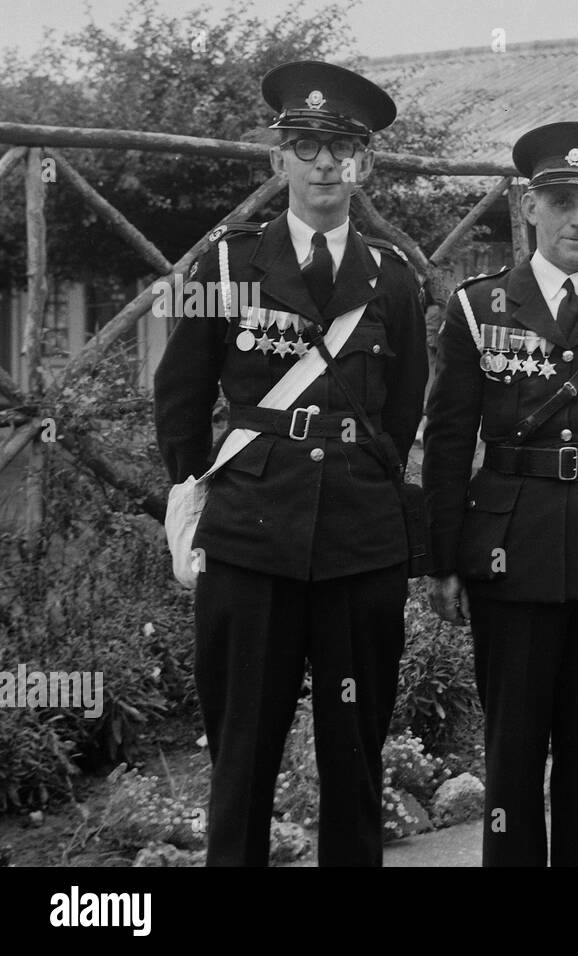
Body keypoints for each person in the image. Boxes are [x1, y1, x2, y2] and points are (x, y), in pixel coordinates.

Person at [154, 60, 428, 866]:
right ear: (279, 161)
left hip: (358, 545)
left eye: (341, 147)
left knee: (355, 755)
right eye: (306, 146)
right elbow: (181, 392)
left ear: (365, 164)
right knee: (242, 754)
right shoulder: (229, 267)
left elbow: (404, 407)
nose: (323, 164)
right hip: (251, 541)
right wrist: (195, 489)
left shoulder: (394, 281)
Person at [423, 121, 578, 867]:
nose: (575, 220)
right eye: (560, 201)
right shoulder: (479, 309)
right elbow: (445, 442)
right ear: (529, 207)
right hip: (511, 553)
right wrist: (441, 560)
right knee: (513, 750)